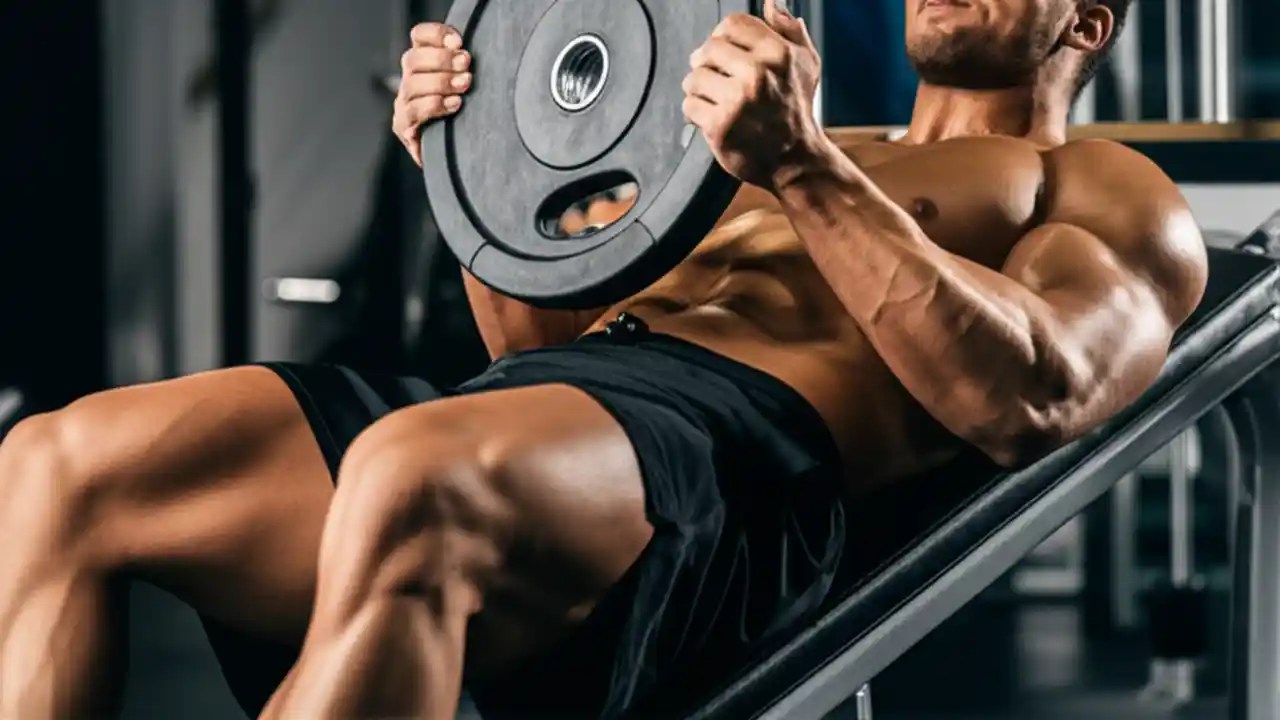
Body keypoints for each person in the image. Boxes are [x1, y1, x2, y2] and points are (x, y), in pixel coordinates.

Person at [0, 0, 1206, 717]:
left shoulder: (1098, 185)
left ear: (1083, 22)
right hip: (572, 422)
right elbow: (531, 356)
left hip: (736, 485)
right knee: (62, 461)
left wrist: (802, 170)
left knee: (417, 474)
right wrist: (468, 170)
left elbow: (1032, 397)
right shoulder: (787, 132)